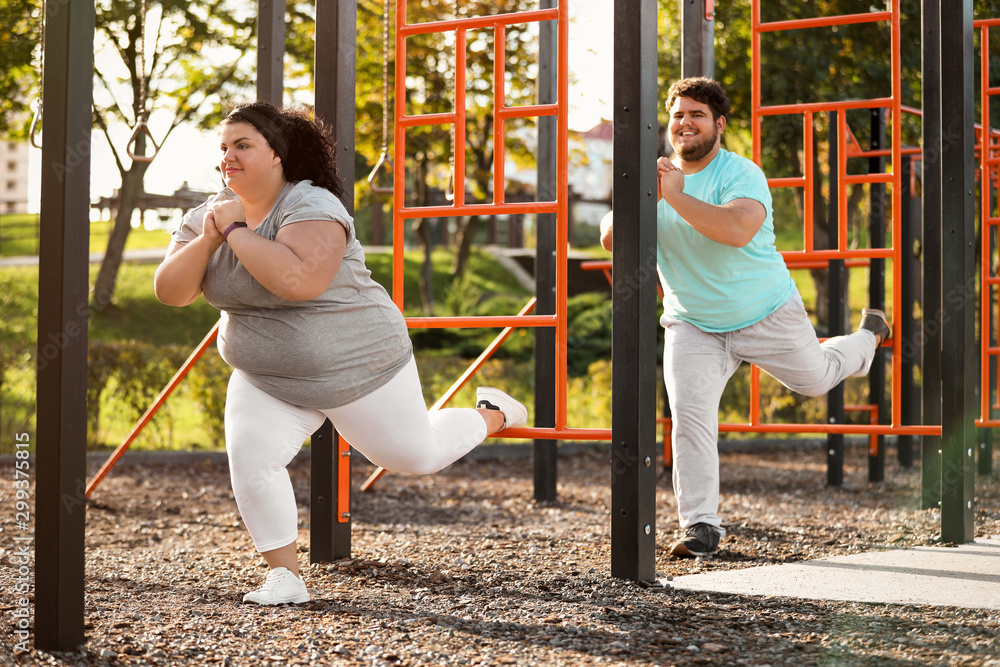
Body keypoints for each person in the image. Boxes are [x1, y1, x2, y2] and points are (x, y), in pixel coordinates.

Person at [154, 101, 527, 604]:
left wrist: (239, 232)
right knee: (252, 460)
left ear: (279, 155)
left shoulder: (311, 205)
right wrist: (209, 237)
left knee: (415, 456)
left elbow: (298, 280)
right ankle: (284, 576)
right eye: (224, 148)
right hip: (266, 375)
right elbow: (170, 293)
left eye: (243, 145)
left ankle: (495, 414)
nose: (229, 157)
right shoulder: (207, 216)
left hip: (359, 364)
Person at [599, 77, 890, 559]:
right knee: (689, 420)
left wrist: (672, 196)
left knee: (816, 379)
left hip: (766, 313)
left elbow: (735, 230)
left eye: (697, 114)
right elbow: (611, 236)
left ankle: (866, 336)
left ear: (719, 125)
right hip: (693, 323)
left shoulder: (741, 173)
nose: (685, 123)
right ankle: (701, 527)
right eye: (678, 115)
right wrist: (632, 201)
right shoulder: (656, 175)